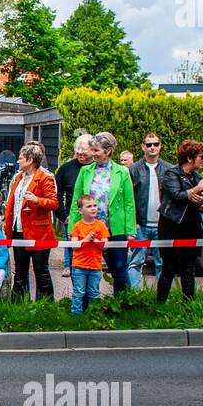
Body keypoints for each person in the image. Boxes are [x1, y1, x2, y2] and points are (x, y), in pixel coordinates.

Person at [69, 132, 136, 293]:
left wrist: (130, 230)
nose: (92, 154)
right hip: (89, 229)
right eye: (92, 150)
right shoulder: (85, 171)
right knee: (86, 267)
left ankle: (123, 303)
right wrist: (73, 229)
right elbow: (76, 200)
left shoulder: (122, 172)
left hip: (114, 228)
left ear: (108, 151)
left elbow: (129, 202)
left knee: (119, 267)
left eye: (96, 150)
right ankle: (85, 305)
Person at [3, 141, 57, 300]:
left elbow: (53, 203)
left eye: (20, 158)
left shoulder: (45, 178)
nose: (18, 161)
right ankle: (18, 304)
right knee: (20, 270)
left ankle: (46, 303)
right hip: (18, 230)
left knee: (41, 270)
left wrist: (37, 200)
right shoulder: (18, 177)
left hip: (38, 232)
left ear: (30, 160)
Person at [156, 139, 203, 303]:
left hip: (191, 226)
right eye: (201, 156)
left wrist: (201, 202)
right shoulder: (172, 174)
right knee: (169, 268)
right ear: (190, 158)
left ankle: (189, 304)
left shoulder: (197, 176)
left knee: (189, 268)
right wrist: (197, 190)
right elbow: (178, 196)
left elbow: (201, 203)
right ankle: (160, 303)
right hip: (172, 226)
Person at [128, 133, 173, 288]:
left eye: (156, 144)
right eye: (149, 144)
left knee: (163, 262)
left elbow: (172, 197)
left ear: (160, 146)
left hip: (162, 225)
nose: (152, 147)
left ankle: (162, 298)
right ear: (143, 147)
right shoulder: (133, 170)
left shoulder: (169, 169)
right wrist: (133, 223)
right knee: (136, 262)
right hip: (141, 225)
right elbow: (129, 198)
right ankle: (133, 297)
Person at [56, 134, 94, 276]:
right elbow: (57, 194)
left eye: (83, 149)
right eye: (77, 149)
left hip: (96, 221)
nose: (79, 152)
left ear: (92, 150)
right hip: (73, 219)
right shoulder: (65, 169)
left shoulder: (99, 169)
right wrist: (63, 216)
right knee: (74, 255)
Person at [69, 195, 110, 315]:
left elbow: (105, 246)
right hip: (79, 266)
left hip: (95, 266)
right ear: (81, 211)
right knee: (79, 292)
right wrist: (87, 239)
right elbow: (74, 245)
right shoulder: (77, 226)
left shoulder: (101, 225)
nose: (93, 208)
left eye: (95, 205)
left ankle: (94, 314)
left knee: (94, 292)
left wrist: (95, 241)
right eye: (89, 206)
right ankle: (76, 314)